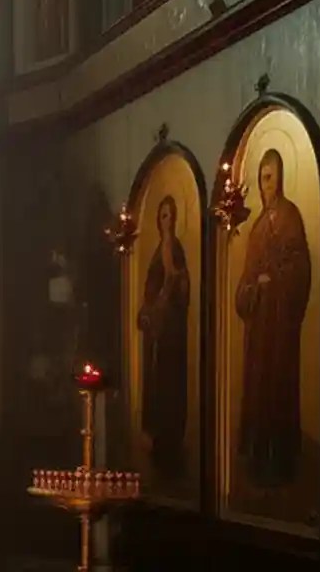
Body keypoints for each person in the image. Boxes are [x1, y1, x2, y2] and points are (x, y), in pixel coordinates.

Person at [235, 149, 310, 487]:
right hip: (259, 326)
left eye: (271, 177)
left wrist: (275, 282)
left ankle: (280, 460)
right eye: (262, 178)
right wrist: (251, 290)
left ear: (280, 178)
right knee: (257, 385)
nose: (266, 186)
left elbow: (301, 268)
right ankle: (257, 457)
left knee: (278, 384)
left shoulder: (291, 217)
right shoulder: (256, 229)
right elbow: (246, 278)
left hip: (279, 324)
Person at [136, 195, 190, 480]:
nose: (164, 221)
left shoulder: (174, 250)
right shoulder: (159, 250)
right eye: (161, 216)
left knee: (169, 387)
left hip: (171, 336)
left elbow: (182, 289)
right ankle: (156, 443)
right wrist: (148, 309)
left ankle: (169, 446)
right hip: (157, 333)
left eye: (168, 215)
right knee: (156, 388)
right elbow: (150, 288)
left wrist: (173, 284)